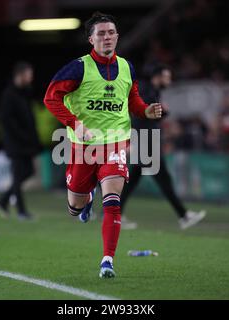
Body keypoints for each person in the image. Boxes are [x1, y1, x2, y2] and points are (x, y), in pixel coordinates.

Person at [44, 12, 162, 278]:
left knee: (113, 201)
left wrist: (145, 111)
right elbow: (51, 98)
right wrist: (75, 123)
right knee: (73, 207)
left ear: (117, 36)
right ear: (91, 39)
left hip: (116, 144)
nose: (107, 37)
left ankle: (107, 260)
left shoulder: (127, 68)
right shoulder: (77, 68)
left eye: (111, 32)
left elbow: (132, 101)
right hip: (82, 149)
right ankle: (85, 201)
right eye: (101, 33)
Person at [120, 64, 206, 230]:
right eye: (167, 76)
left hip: (145, 138)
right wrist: (162, 111)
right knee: (163, 179)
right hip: (146, 139)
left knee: (134, 178)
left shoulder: (151, 90)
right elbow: (140, 112)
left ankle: (112, 213)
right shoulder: (147, 90)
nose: (169, 80)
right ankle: (184, 215)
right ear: (157, 76)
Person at [0, 62, 42, 220]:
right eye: (28, 74)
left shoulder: (25, 93)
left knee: (27, 173)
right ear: (19, 75)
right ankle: (20, 211)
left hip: (26, 143)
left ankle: (3, 201)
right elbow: (5, 120)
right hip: (16, 144)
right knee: (19, 175)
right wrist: (20, 136)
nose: (31, 78)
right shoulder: (9, 94)